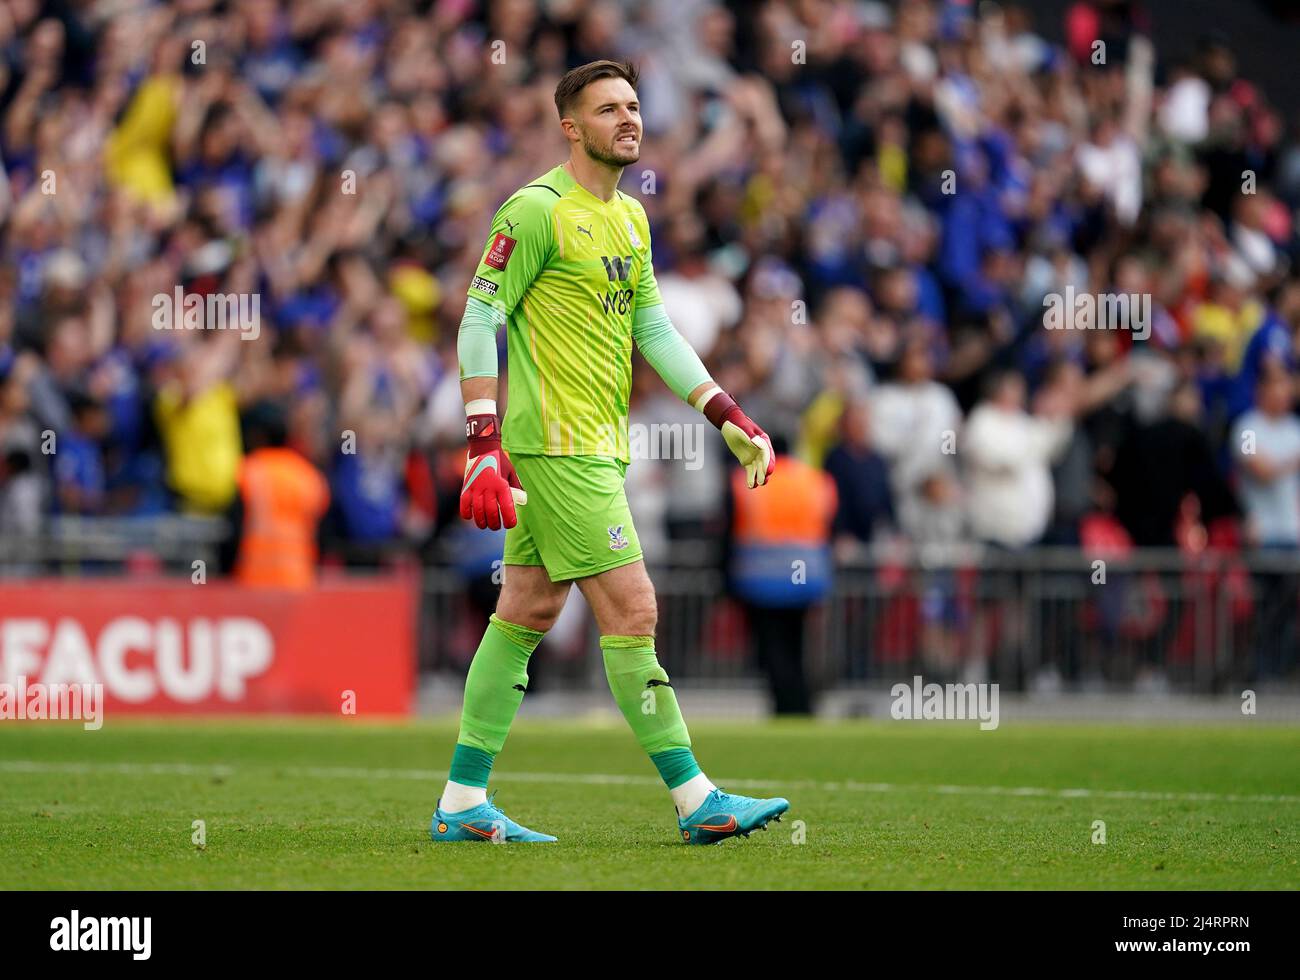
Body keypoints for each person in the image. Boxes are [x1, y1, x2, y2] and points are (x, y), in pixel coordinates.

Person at [433, 61, 789, 846]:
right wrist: (482, 443)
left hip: (598, 446)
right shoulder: (535, 211)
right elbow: (476, 317)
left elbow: (652, 328)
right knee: (633, 610)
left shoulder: (631, 218)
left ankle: (462, 800)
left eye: (633, 105)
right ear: (571, 127)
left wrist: (722, 410)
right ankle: (698, 799)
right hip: (555, 448)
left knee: (523, 612)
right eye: (608, 109)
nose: (629, 118)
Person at [727, 435, 837, 715]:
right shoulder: (815, 480)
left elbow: (729, 532)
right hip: (807, 578)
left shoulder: (746, 481)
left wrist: (727, 581)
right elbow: (829, 527)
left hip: (761, 580)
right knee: (797, 645)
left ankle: (785, 705)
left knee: (772, 649)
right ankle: (801, 704)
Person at [228, 401, 329, 590]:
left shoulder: (249, 471)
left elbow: (234, 530)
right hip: (299, 581)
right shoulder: (309, 476)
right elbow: (322, 537)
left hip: (253, 581)